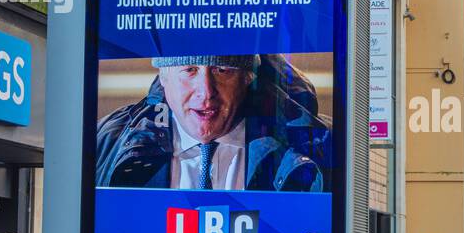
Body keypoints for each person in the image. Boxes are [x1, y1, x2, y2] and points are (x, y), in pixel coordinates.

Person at [96, 54, 329, 191]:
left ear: (248, 77)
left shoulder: (324, 146)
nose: (206, 92)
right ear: (163, 76)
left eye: (222, 70)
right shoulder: (105, 143)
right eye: (189, 70)